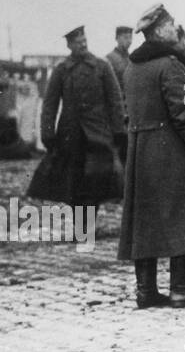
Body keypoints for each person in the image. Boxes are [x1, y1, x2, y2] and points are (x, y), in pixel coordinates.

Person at [118, 4, 185, 309]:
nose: (176, 27)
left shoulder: (132, 67)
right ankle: (180, 290)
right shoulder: (173, 66)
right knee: (184, 213)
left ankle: (146, 292)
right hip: (172, 150)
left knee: (145, 220)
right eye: (171, 23)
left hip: (140, 152)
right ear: (159, 30)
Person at [28, 27, 125, 218]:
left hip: (98, 135)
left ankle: (86, 227)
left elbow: (115, 101)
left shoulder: (102, 67)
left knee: (95, 182)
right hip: (70, 137)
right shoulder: (62, 70)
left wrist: (119, 131)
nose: (82, 44)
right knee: (73, 184)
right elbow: (50, 104)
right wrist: (47, 133)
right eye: (78, 41)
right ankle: (80, 228)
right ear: (69, 45)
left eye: (84, 40)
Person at [105, 26, 134, 98]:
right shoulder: (109, 59)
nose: (129, 41)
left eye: (130, 37)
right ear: (117, 38)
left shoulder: (132, 59)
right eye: (126, 37)